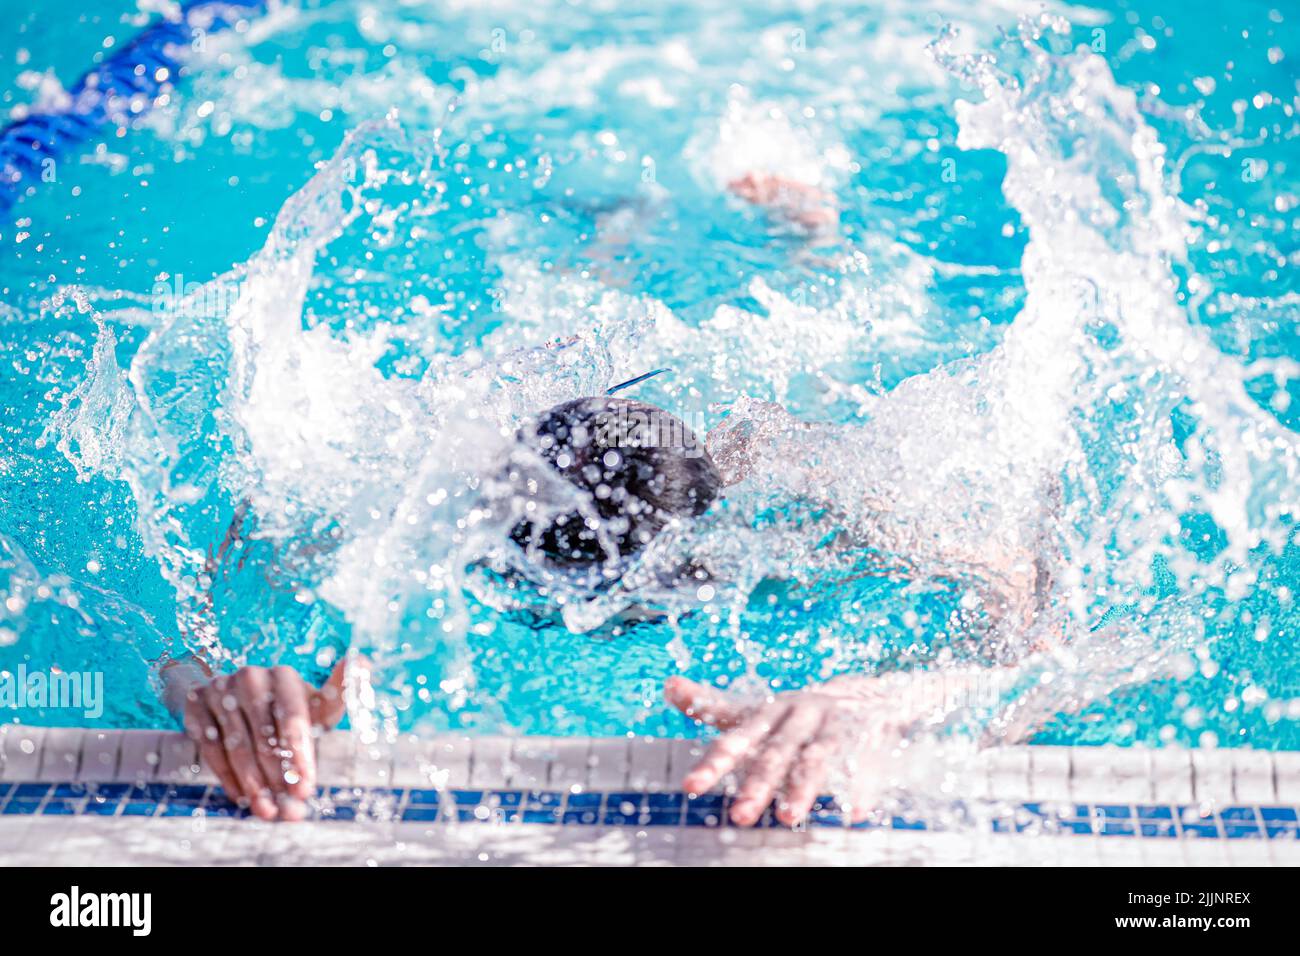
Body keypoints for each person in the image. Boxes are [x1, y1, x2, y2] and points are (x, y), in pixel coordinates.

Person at [164, 385, 1057, 825]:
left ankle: (797, 219)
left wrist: (903, 698)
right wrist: (215, 684)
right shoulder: (435, 506)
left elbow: (1029, 592)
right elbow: (227, 576)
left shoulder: (798, 529)